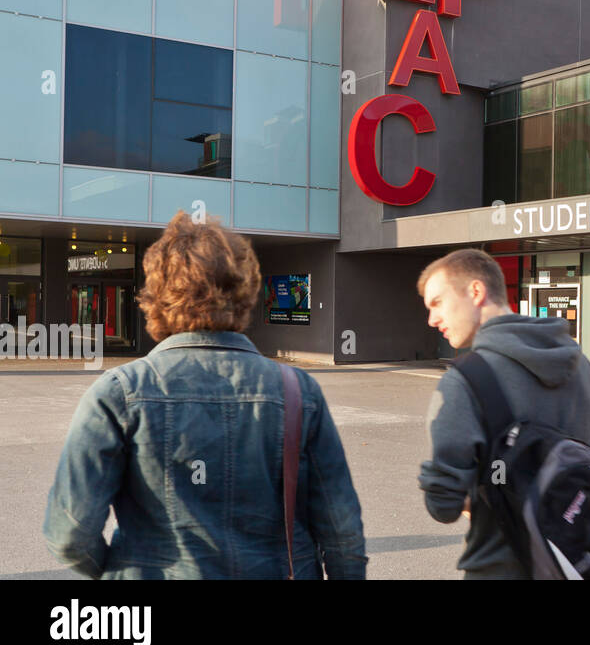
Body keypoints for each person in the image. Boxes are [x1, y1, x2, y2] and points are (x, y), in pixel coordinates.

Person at [43, 211, 367, 579]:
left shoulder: (119, 393)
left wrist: (124, 568)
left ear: (155, 297)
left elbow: (69, 531)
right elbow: (342, 532)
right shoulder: (297, 391)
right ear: (245, 292)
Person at [417, 249, 590, 579]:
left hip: (499, 567)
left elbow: (443, 503)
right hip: (574, 562)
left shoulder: (467, 379)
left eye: (437, 302)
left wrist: (494, 488)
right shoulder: (578, 364)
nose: (432, 319)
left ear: (476, 291)